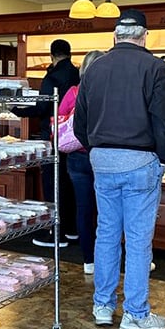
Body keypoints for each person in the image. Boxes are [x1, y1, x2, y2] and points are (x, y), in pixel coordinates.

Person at [75, 10, 165, 329]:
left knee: (106, 233)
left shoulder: (95, 69)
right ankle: (135, 313)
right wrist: (163, 159)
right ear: (144, 36)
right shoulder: (156, 69)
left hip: (102, 162)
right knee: (137, 240)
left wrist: (97, 149)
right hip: (140, 162)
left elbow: (80, 125)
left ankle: (103, 306)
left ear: (115, 36)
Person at [16, 39, 80, 247]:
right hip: (74, 137)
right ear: (69, 54)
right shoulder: (77, 74)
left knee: (53, 184)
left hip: (53, 136)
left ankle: (56, 233)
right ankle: (71, 229)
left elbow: (43, 108)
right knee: (68, 183)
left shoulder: (52, 77)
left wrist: (18, 110)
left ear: (52, 56)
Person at [58, 50, 105, 274]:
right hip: (104, 156)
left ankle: (88, 259)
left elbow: (58, 119)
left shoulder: (73, 92)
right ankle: (109, 256)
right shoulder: (109, 93)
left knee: (84, 208)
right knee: (108, 210)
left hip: (76, 156)